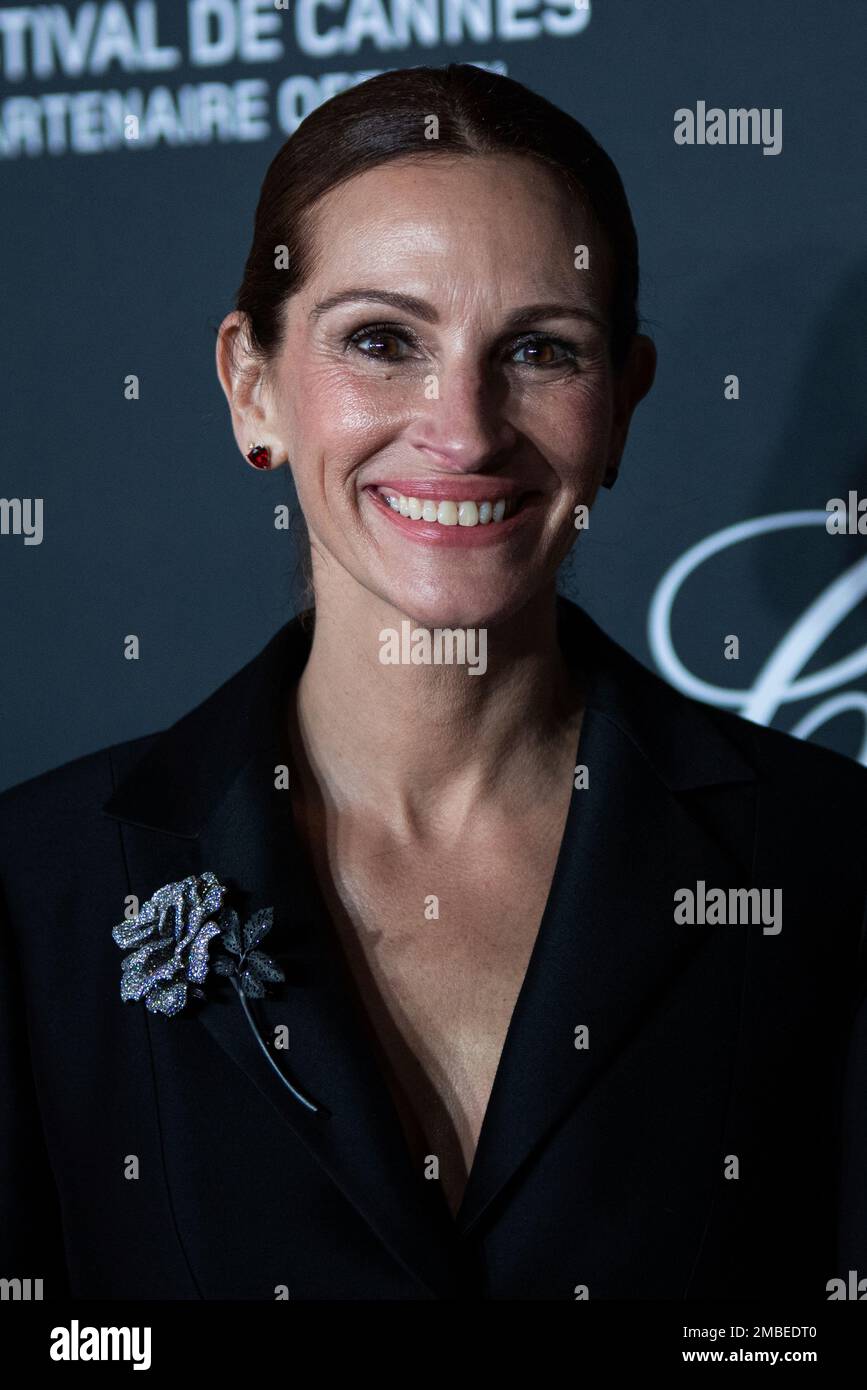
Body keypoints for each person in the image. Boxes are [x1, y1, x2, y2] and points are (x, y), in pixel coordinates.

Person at [1, 63, 865, 1301]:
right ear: (253, 386)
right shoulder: (39, 894)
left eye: (540, 350)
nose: (462, 429)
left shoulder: (832, 863)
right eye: (381, 340)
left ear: (621, 403)